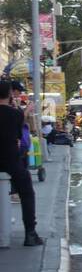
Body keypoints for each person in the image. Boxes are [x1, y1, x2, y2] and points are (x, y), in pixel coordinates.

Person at [0, 80, 42, 245]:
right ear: (9, 94)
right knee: (27, 193)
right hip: (11, 161)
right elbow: (19, 139)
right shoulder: (16, 114)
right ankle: (30, 233)